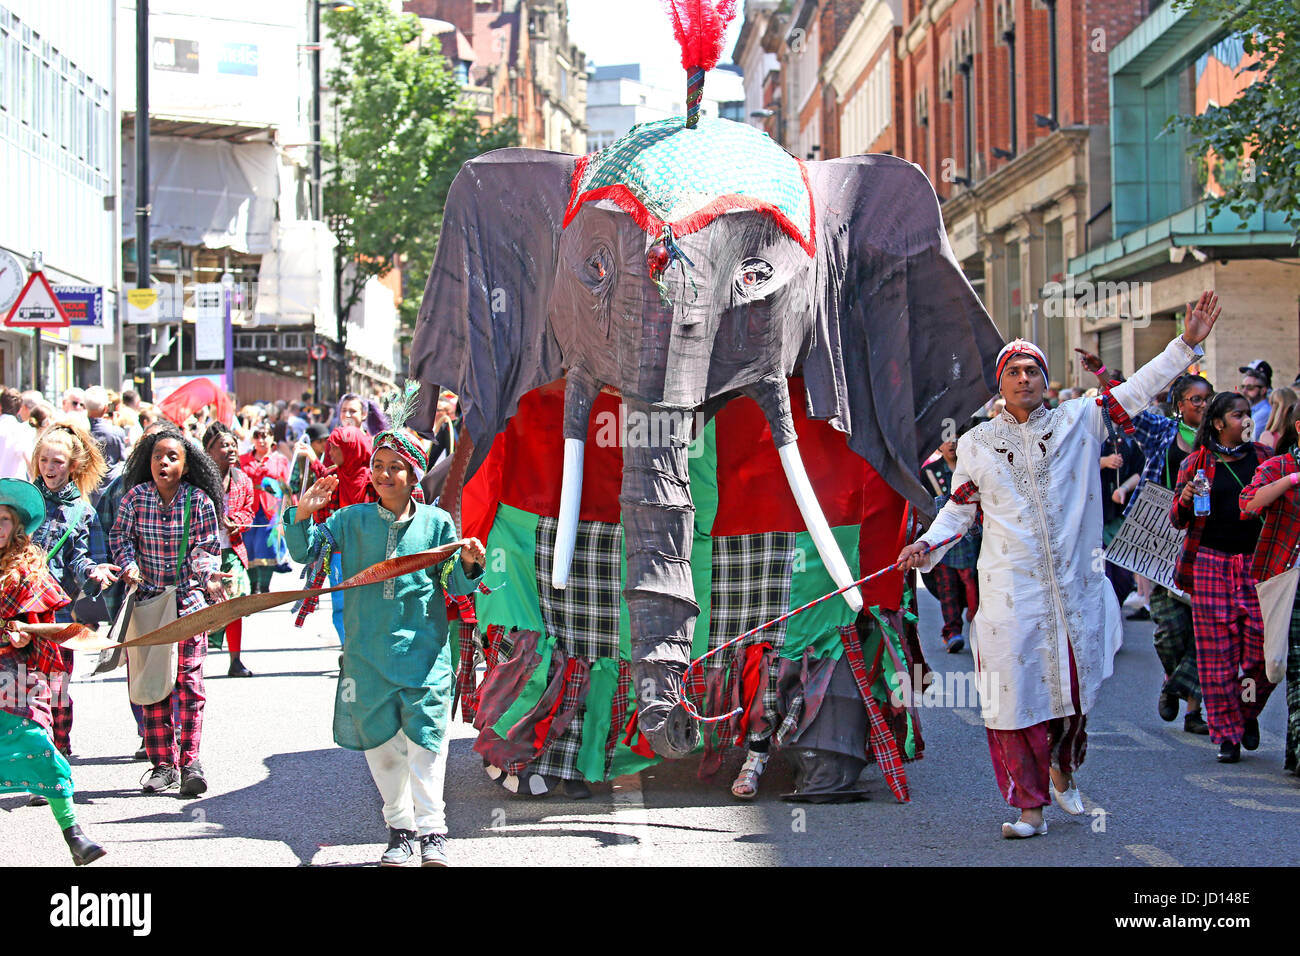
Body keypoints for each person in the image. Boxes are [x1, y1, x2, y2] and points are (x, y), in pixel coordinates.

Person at [898, 290, 1220, 839]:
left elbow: (1138, 391)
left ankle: (1064, 768)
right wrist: (926, 546)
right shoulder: (976, 445)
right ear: (999, 385)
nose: (1024, 378)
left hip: (1075, 591)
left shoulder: (1081, 420)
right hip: (1008, 596)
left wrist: (1185, 345)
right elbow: (958, 509)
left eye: (1032, 370)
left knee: (1071, 701)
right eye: (1014, 371)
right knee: (1012, 703)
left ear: (1045, 380)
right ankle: (1029, 809)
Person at [284, 413, 486, 867]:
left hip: (426, 654)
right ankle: (400, 830)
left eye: (394, 466)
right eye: (378, 465)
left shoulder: (436, 524)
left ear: (414, 474)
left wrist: (470, 564)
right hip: (367, 656)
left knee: (427, 745)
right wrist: (301, 514)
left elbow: (455, 585)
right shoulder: (350, 520)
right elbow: (303, 552)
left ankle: (433, 832)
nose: (383, 474)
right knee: (383, 749)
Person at [110, 424, 228, 795]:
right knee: (154, 686)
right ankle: (163, 765)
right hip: (148, 606)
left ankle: (190, 761)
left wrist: (209, 577)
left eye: (172, 457)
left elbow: (206, 551)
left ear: (187, 466)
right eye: (157, 456)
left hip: (189, 604)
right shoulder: (134, 499)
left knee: (189, 685)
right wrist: (128, 564)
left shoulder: (200, 502)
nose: (164, 462)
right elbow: (120, 538)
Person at [0, 478, 107, 864]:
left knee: (42, 749)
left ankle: (74, 835)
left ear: (16, 526)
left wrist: (25, 637)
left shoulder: (30, 568)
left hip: (17, 678)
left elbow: (46, 624)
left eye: (4, 520)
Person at [1169, 390, 1279, 763]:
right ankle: (1227, 735)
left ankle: (1247, 713)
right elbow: (1178, 520)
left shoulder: (1264, 457)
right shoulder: (1197, 462)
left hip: (1257, 565)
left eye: (1249, 414)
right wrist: (1184, 497)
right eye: (1237, 415)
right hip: (1211, 564)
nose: (1246, 421)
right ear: (1218, 423)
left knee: (1263, 653)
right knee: (1217, 657)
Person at [1116, 371, 1214, 734]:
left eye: (1207, 399)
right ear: (1179, 404)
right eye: (1195, 400)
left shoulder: (1219, 441)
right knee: (1169, 629)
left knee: (1204, 631)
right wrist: (1105, 377)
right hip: (1158, 539)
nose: (1202, 406)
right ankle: (1174, 678)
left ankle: (1193, 711)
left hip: (1203, 540)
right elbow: (1126, 410)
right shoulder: (1162, 432)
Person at [28, 423, 119, 764]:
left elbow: (83, 559)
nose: (49, 469)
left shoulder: (83, 512)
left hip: (58, 613)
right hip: (18, 611)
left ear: (73, 466)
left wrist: (95, 572)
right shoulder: (23, 502)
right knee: (18, 686)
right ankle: (33, 758)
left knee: (56, 689)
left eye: (57, 462)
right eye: (44, 461)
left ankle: (58, 751)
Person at [1239, 404, 1300, 776]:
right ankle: (1243, 714)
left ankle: (1295, 752)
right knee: (1289, 667)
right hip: (1286, 581)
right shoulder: (1279, 467)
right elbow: (1248, 503)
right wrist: (1294, 481)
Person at [918, 426, 981, 653]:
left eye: (956, 438)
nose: (951, 444)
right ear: (939, 445)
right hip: (943, 538)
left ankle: (978, 626)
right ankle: (952, 632)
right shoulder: (929, 473)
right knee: (947, 588)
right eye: (946, 440)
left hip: (971, 538)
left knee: (974, 583)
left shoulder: (973, 467)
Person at [203, 423, 256, 677]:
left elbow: (249, 510)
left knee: (236, 602)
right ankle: (194, 661)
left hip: (233, 550)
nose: (231, 449)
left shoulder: (243, 479)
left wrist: (238, 521)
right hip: (203, 553)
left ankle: (235, 660)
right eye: (223, 445)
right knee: (201, 607)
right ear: (208, 451)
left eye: (233, 444)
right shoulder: (198, 481)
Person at [238, 423, 292, 594]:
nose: (262, 440)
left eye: (265, 436)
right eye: (258, 436)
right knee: (249, 547)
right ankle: (254, 586)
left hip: (271, 510)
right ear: (253, 439)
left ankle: (265, 586)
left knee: (267, 547)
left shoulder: (280, 460)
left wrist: (287, 513)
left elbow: (286, 488)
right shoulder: (242, 460)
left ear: (272, 438)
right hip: (248, 508)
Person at [83, 386, 129, 470]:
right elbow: (123, 460)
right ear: (106, 408)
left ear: (85, 407)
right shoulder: (117, 432)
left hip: (87, 480)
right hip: (111, 480)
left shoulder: (79, 431)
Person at [0, 387, 34, 480]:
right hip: (14, 487)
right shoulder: (22, 430)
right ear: (19, 410)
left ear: (0, 407)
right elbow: (29, 461)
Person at [1239, 360, 1272, 441]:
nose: (1244, 391)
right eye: (1242, 387)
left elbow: (1247, 441)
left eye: (1250, 387)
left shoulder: (1264, 412)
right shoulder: (1250, 409)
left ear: (1263, 390)